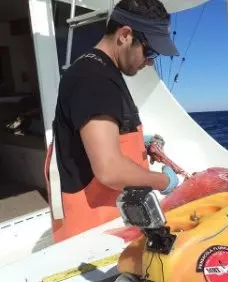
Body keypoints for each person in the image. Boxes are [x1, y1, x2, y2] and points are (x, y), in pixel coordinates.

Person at [45, 0, 180, 243]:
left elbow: (95, 137)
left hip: (111, 222)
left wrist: (141, 144)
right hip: (94, 235)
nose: (150, 62)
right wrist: (164, 182)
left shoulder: (96, 70)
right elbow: (110, 170)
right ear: (125, 35)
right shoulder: (93, 79)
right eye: (150, 52)